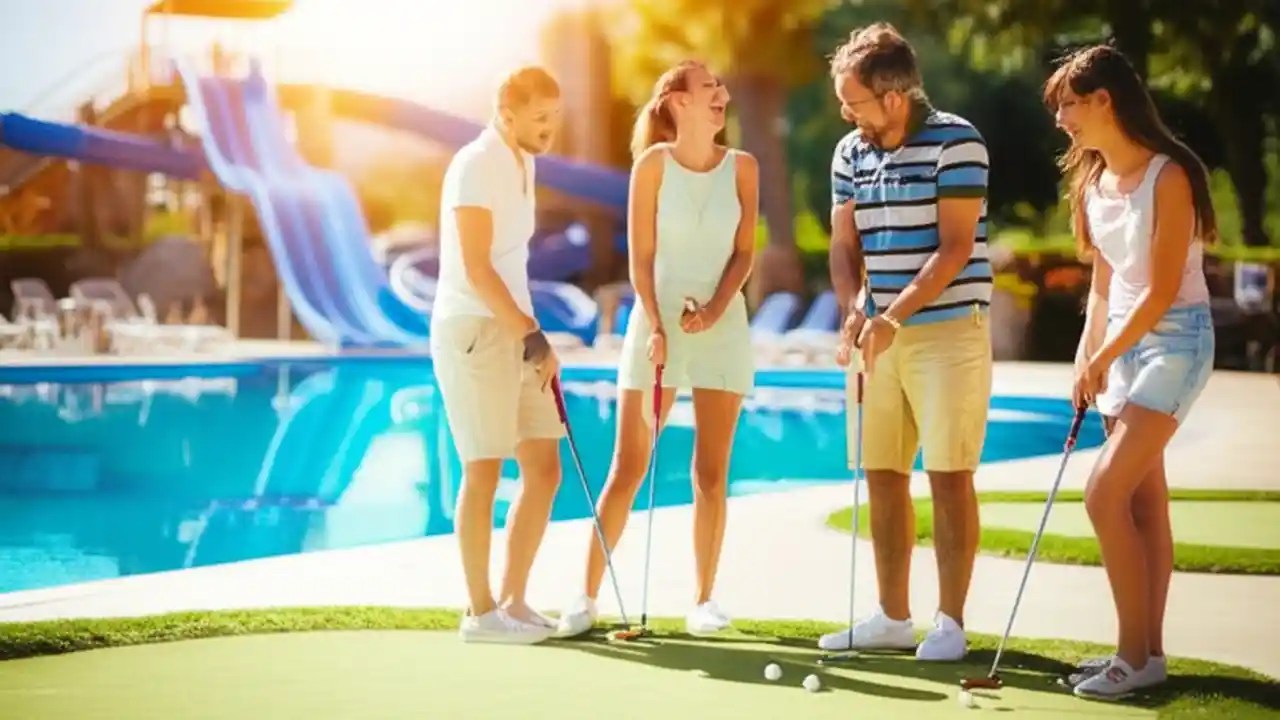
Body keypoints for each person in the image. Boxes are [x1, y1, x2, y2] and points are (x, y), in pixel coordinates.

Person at [554, 60, 759, 638]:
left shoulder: (744, 167)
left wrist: (716, 308)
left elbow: (745, 253)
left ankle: (703, 600)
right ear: (677, 102)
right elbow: (640, 259)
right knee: (627, 468)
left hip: (723, 321)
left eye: (722, 85)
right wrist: (660, 322)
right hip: (657, 322)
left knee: (710, 473)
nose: (721, 94)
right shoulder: (652, 166)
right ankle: (585, 596)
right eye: (708, 87)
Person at [819, 23, 994, 662]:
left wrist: (891, 315)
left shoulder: (958, 142)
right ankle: (892, 617)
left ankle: (950, 621)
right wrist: (853, 308)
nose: (846, 113)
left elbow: (952, 251)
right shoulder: (849, 152)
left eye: (854, 101)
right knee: (884, 475)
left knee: (949, 475)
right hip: (879, 336)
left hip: (948, 331)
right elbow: (845, 241)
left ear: (892, 96)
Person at [1046, 44, 1216, 699]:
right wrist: (1087, 356)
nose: (1061, 117)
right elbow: (1104, 284)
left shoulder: (1168, 177)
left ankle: (1131, 653)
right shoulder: (1093, 183)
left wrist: (1106, 355)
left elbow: (1162, 288)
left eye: (1068, 102)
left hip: (1175, 342)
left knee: (1104, 492)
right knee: (1143, 501)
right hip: (1122, 340)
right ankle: (1147, 654)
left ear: (1103, 100)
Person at [429, 66, 565, 644]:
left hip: (514, 327)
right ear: (507, 115)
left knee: (543, 467)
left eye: (554, 118)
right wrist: (530, 334)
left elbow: (511, 261)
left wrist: (531, 335)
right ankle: (480, 613)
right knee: (483, 468)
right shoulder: (475, 165)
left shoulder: (523, 162)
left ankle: (513, 600)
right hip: (476, 329)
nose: (549, 130)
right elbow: (478, 268)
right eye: (540, 119)